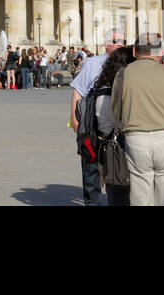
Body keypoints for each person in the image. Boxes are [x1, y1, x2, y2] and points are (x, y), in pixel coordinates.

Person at [111, 32, 164, 206]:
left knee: (140, 198)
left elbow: (115, 112)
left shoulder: (121, 76)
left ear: (135, 51)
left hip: (136, 140)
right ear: (160, 52)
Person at [70, 31, 127, 207]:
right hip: (93, 124)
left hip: (120, 125)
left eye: (122, 41)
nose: (120, 44)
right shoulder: (93, 63)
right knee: (91, 163)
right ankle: (92, 201)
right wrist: (74, 118)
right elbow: (78, 92)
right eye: (116, 41)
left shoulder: (129, 64)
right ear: (106, 44)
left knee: (118, 165)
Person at [87, 46, 136, 206]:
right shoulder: (121, 92)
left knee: (114, 195)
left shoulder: (99, 90)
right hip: (125, 149)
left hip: (106, 150)